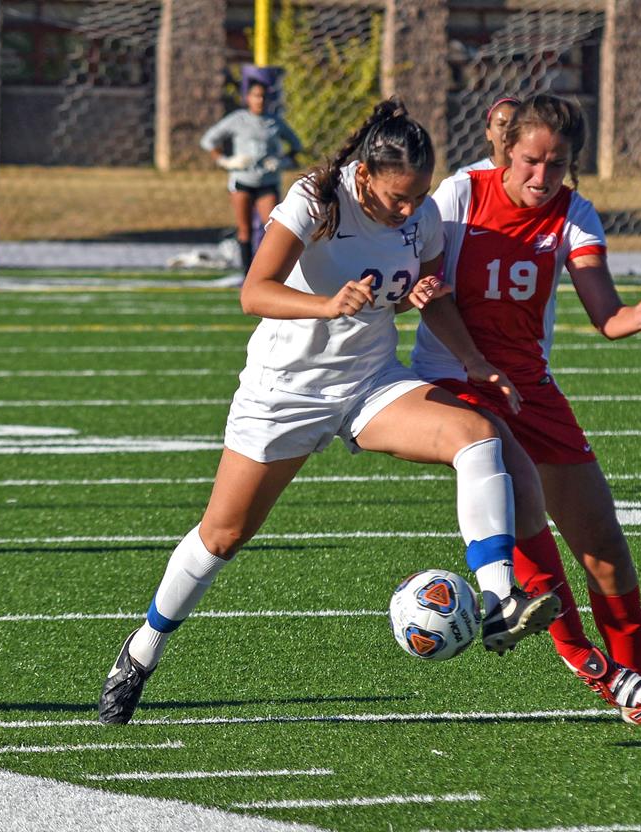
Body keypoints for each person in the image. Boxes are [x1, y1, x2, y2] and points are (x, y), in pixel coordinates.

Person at [100, 100, 561, 725]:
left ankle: (501, 600)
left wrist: (469, 356)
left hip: (369, 382)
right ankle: (142, 650)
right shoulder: (315, 203)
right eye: (399, 197)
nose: (410, 209)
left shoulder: (421, 216)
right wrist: (327, 306)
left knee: (477, 437)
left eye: (419, 196)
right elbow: (253, 292)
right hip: (284, 393)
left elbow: (425, 296)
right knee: (223, 536)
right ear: (365, 174)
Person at [411, 93, 641, 729]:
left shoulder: (576, 214)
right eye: (530, 162)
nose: (543, 178)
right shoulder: (459, 197)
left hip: (530, 390)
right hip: (455, 381)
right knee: (519, 503)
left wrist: (638, 316)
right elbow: (431, 299)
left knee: (605, 552)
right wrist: (474, 363)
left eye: (558, 164)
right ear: (504, 151)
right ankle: (592, 667)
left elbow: (607, 315)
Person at [200, 78, 304, 279]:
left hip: (267, 182)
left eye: (264, 96)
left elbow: (296, 147)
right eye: (256, 96)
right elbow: (208, 140)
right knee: (244, 230)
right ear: (248, 98)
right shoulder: (238, 119)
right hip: (242, 182)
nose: (260, 100)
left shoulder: (274, 122)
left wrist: (281, 161)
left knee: (274, 227)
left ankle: (273, 272)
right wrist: (225, 161)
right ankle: (248, 275)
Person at [454, 97, 517, 175]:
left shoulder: (533, 175)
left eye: (515, 124)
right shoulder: (468, 177)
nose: (508, 130)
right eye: (501, 124)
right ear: (488, 133)